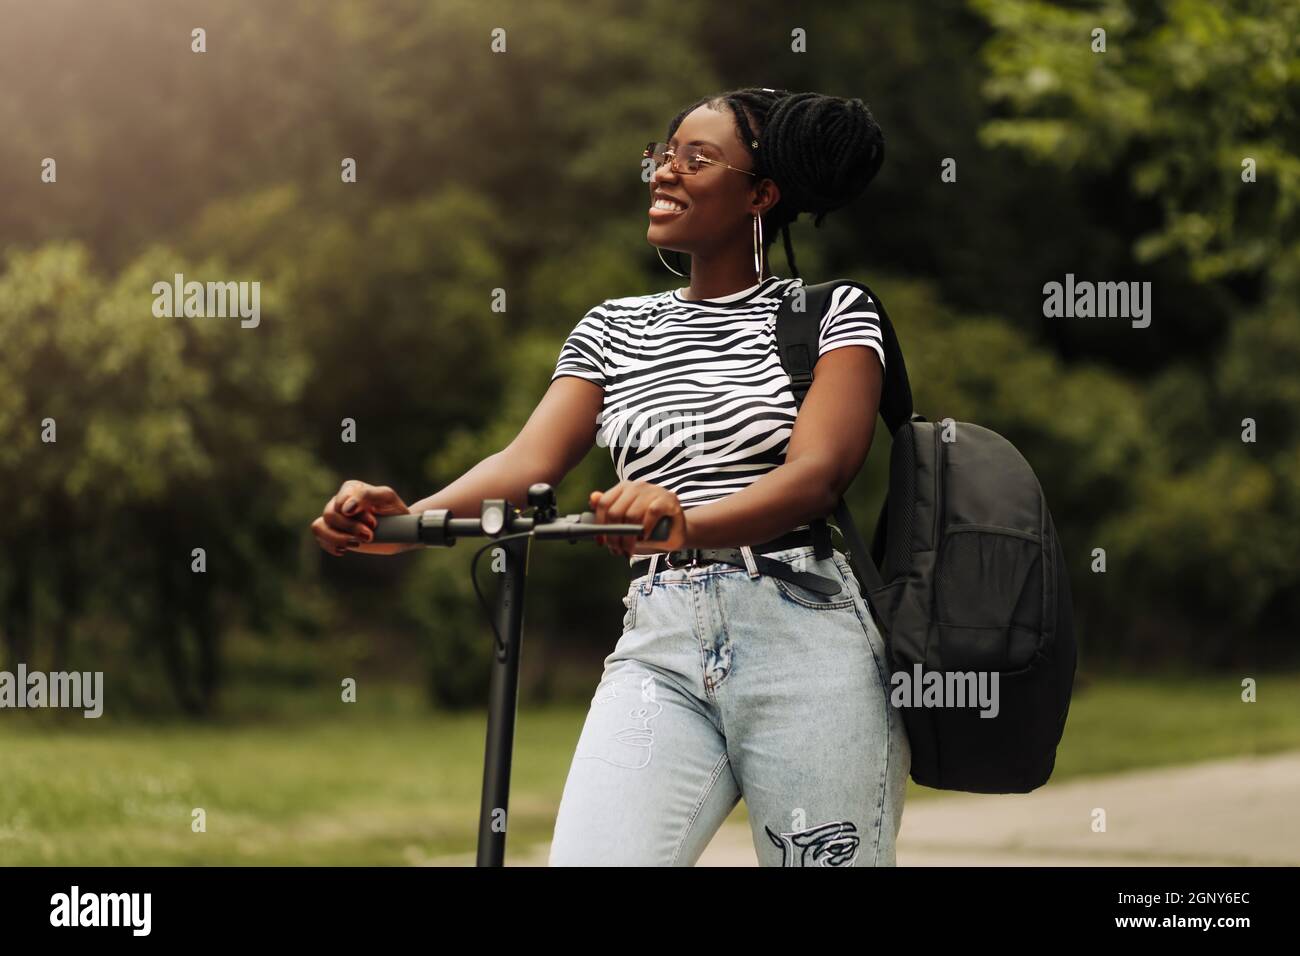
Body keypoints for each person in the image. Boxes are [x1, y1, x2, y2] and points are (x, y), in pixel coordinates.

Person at [310, 87, 909, 867]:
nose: (665, 171)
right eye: (662, 154)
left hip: (806, 636)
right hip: (661, 640)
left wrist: (689, 519)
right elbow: (524, 465)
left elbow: (818, 474)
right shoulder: (615, 328)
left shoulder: (831, 313)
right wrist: (406, 522)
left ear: (762, 193)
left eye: (696, 158)